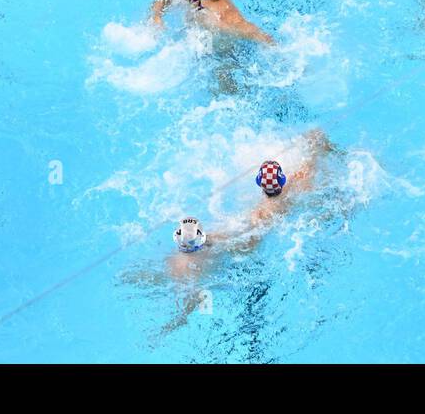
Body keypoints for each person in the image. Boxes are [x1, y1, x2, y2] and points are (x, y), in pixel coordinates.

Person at [135, 129, 336, 331]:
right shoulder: (271, 205)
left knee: (193, 296)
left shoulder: (175, 263)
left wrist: (176, 322)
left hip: (223, 263)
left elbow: (191, 296)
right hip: (244, 249)